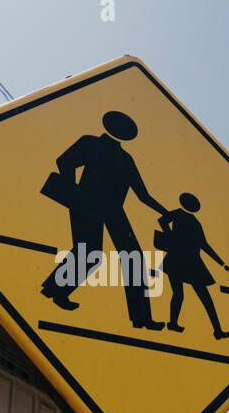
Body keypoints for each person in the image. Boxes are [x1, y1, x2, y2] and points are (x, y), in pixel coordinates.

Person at [40, 111, 167, 330]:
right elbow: (64, 161)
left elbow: (142, 195)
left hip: (113, 210)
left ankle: (142, 318)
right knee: (90, 254)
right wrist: (74, 193)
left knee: (133, 258)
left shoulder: (126, 159)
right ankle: (55, 291)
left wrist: (165, 212)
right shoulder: (91, 143)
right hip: (86, 202)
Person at [158, 192, 229, 339]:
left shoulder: (195, 222)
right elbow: (162, 220)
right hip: (179, 260)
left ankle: (217, 330)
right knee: (181, 294)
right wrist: (171, 235)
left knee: (201, 297)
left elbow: (204, 245)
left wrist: (221, 263)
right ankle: (173, 323)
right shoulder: (179, 215)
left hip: (189, 262)